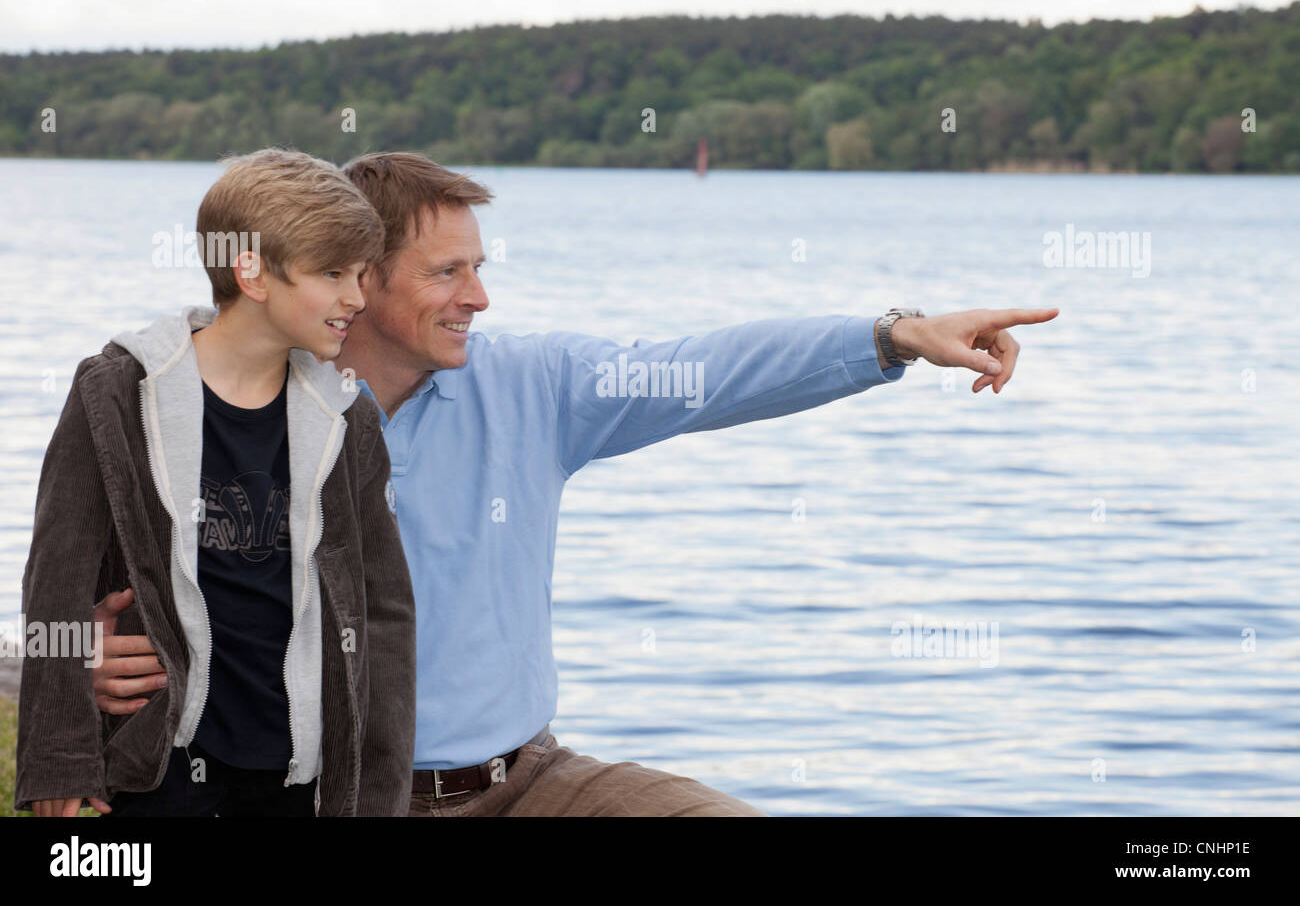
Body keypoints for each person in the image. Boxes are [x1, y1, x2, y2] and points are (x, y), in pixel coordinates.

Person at [93, 150, 1058, 816]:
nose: (480, 297)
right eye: (448, 272)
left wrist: (891, 336)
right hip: (345, 794)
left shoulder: (531, 386)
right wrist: (92, 659)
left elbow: (705, 371)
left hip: (534, 782)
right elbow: (132, 580)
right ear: (358, 277)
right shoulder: (249, 406)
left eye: (480, 267)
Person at [16, 149, 416, 817]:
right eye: (333, 273)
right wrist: (58, 754)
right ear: (253, 273)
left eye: (362, 274)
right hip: (155, 766)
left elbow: (384, 615)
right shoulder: (115, 394)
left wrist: (376, 796)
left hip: (299, 776)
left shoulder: (350, 416)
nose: (357, 297)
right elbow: (55, 578)